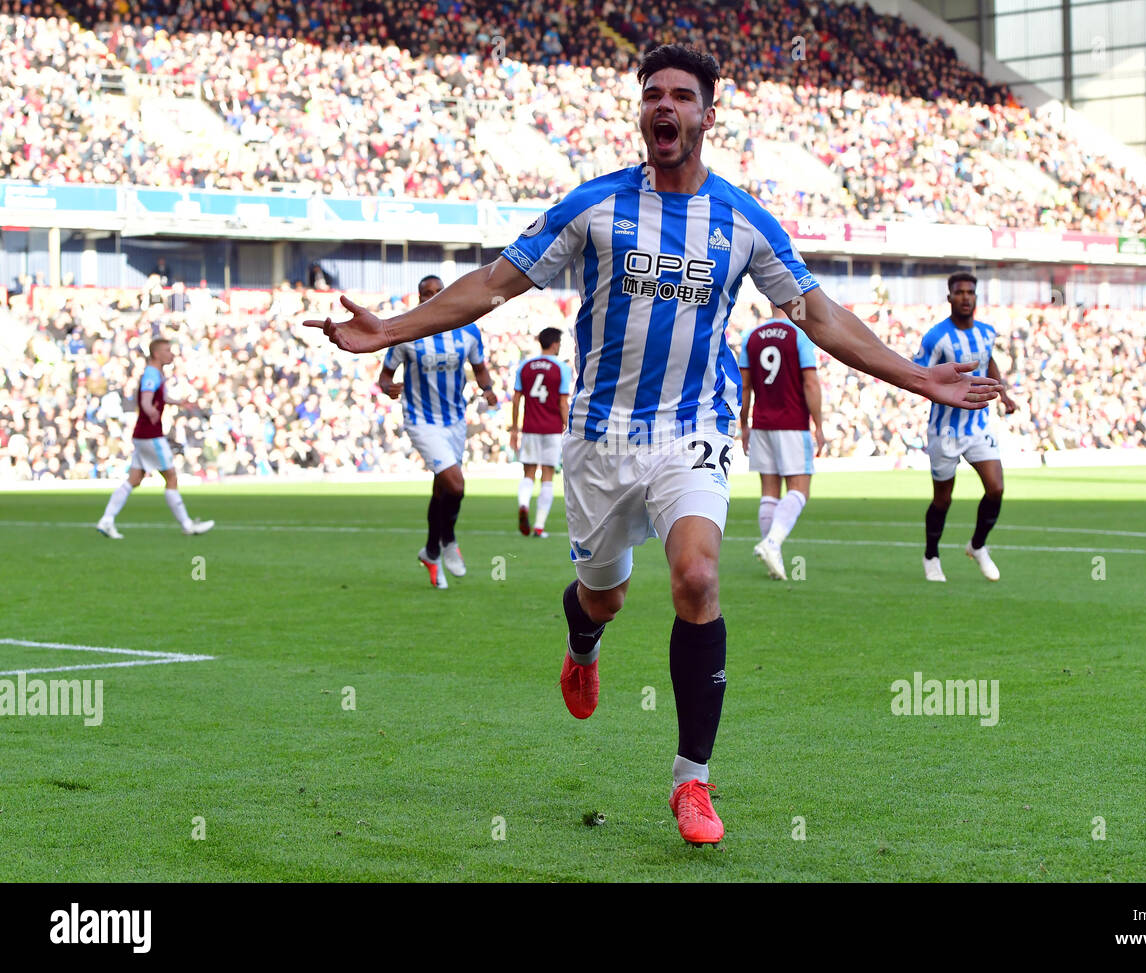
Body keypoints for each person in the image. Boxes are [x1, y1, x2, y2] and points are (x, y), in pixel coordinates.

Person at [306, 44, 1000, 847]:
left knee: (699, 577)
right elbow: (495, 282)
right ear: (642, 113)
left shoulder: (742, 220)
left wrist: (921, 377)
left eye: (680, 96)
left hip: (691, 432)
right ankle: (583, 639)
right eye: (651, 96)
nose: (663, 107)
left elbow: (821, 315)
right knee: (603, 595)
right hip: (599, 441)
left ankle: (692, 782)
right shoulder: (594, 206)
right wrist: (387, 328)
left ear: (708, 113)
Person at [376, 275, 498, 588]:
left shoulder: (468, 330)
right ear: (418, 297)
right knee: (455, 486)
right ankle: (448, 541)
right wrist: (389, 388)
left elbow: (480, 366)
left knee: (442, 489)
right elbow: (384, 377)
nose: (432, 297)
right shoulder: (407, 333)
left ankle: (430, 552)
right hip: (421, 419)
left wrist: (488, 389)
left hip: (455, 420)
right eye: (426, 293)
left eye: (437, 292)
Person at [913, 272, 1018, 582]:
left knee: (996, 488)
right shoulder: (936, 337)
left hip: (978, 425)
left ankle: (977, 545)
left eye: (970, 292)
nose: (965, 297)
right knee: (943, 499)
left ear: (976, 296)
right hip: (945, 430)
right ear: (949, 298)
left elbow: (988, 362)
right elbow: (919, 372)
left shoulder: (986, 333)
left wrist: (1003, 393)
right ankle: (931, 555)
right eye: (959, 292)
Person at [738, 303, 826, 581]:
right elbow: (810, 383)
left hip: (762, 423)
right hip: (792, 422)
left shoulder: (750, 337)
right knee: (800, 489)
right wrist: (819, 424)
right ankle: (772, 543)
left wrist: (744, 424)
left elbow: (745, 386)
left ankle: (772, 558)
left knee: (769, 491)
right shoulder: (800, 335)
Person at [96, 338, 214, 539]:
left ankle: (106, 520)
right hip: (151, 435)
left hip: (143, 434)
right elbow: (146, 399)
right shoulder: (151, 373)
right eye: (167, 350)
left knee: (134, 479)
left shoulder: (156, 373)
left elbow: (158, 397)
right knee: (171, 477)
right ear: (157, 354)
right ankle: (187, 524)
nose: (171, 354)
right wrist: (150, 411)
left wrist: (178, 402)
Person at [510, 327, 571, 539]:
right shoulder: (561, 368)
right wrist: (567, 425)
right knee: (547, 476)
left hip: (530, 428)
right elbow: (563, 402)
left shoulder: (524, 367)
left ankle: (524, 504)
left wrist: (515, 429)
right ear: (554, 344)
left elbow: (516, 399)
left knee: (528, 473)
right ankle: (538, 526)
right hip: (552, 429)